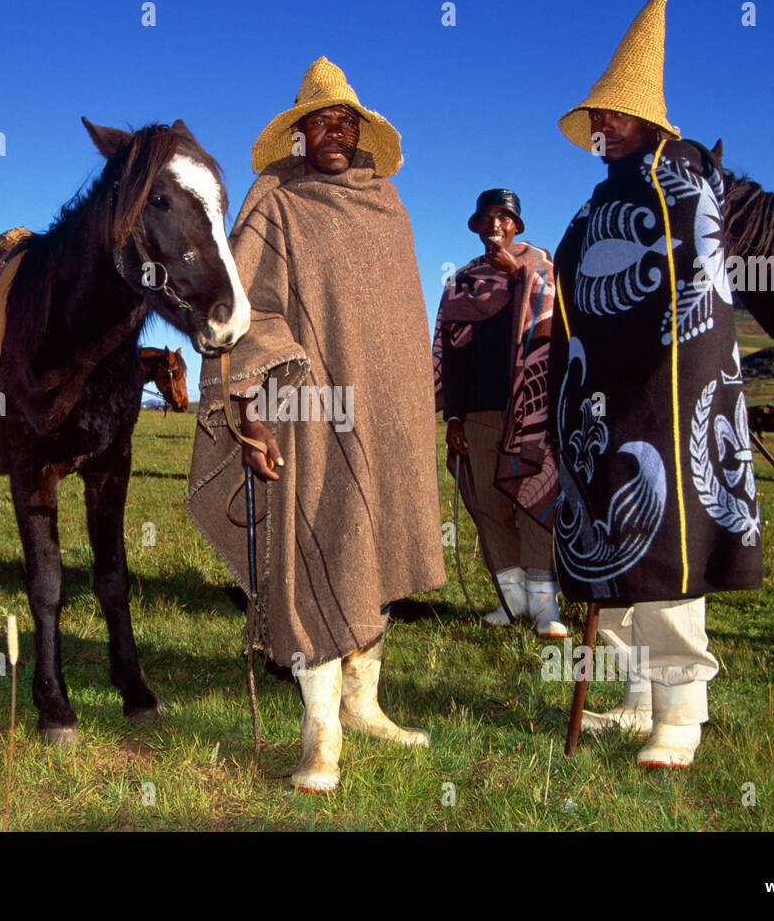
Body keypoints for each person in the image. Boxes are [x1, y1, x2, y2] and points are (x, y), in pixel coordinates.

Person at [188, 57, 445, 792]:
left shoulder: (387, 204)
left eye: (343, 121)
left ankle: (364, 701)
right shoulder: (274, 201)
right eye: (318, 122)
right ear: (297, 134)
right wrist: (254, 409)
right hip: (307, 407)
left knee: (378, 534)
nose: (332, 132)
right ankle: (320, 727)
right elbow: (244, 310)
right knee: (312, 545)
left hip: (387, 410)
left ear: (359, 131)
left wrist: (405, 404)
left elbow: (399, 320)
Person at [550, 0, 762, 768]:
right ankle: (636, 697)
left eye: (615, 116)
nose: (603, 128)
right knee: (618, 542)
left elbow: (697, 290)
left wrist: (660, 371)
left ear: (648, 121)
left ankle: (679, 711)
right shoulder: (597, 198)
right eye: (597, 118)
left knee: (669, 541)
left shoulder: (685, 181)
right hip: (605, 397)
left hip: (668, 392)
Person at [434, 189, 566, 637]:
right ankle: (512, 601)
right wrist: (453, 417)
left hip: (533, 411)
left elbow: (563, 328)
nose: (495, 225)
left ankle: (545, 605)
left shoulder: (543, 269)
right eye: (487, 218)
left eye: (504, 218)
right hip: (477, 412)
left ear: (516, 226)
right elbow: (451, 357)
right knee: (490, 506)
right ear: (476, 227)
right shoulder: (462, 283)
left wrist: (521, 278)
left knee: (533, 502)